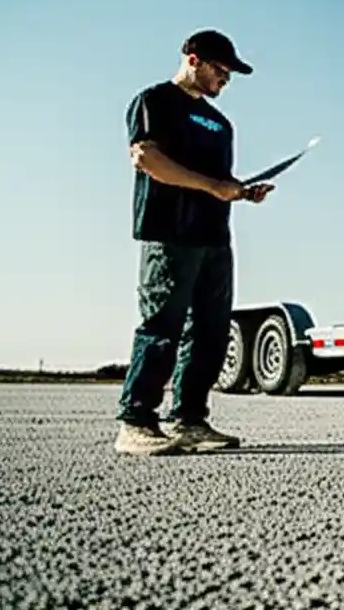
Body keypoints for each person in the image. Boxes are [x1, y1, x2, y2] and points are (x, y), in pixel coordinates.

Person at [114, 29, 274, 456]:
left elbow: (217, 183)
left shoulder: (221, 124)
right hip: (169, 233)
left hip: (214, 240)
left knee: (210, 331)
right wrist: (211, 186)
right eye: (221, 70)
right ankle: (136, 422)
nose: (226, 79)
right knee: (162, 327)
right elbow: (146, 158)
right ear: (193, 58)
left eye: (230, 74)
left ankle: (188, 420)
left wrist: (240, 191)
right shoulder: (155, 101)